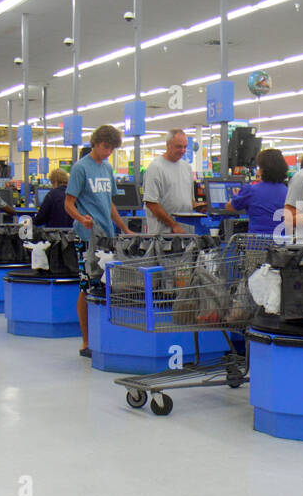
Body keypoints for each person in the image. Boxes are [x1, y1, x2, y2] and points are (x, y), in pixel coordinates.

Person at [67, 125, 132, 357]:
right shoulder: (80, 168)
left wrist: (123, 228)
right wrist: (80, 219)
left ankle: (103, 336)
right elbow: (69, 203)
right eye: (105, 147)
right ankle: (86, 342)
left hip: (107, 237)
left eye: (112, 148)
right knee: (87, 286)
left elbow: (109, 204)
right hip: (86, 238)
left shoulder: (107, 168)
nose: (108, 152)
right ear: (95, 143)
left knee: (105, 285)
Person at [143, 128, 203, 235]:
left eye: (185, 147)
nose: (183, 150)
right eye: (179, 146)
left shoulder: (187, 168)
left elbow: (190, 200)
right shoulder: (156, 168)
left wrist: (200, 207)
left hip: (186, 232)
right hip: (163, 235)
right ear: (168, 145)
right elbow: (151, 203)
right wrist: (173, 225)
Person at [228, 149, 289, 236]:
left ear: (263, 170)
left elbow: (230, 207)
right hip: (282, 246)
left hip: (256, 246)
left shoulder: (250, 190)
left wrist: (237, 195)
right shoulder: (288, 192)